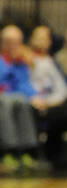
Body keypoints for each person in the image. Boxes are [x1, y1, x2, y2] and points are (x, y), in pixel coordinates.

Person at [28, 25, 67, 171]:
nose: (41, 42)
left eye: (45, 38)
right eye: (38, 38)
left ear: (50, 42)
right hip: (33, 102)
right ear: (31, 40)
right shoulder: (25, 58)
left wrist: (53, 101)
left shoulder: (50, 61)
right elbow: (23, 83)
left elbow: (60, 87)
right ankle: (40, 154)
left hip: (50, 103)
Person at [0, 24, 49, 173]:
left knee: (22, 101)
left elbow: (24, 84)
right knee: (6, 101)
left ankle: (28, 150)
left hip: (16, 97)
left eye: (17, 42)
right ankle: (9, 151)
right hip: (3, 97)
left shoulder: (21, 62)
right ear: (2, 42)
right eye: (9, 42)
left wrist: (34, 97)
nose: (13, 46)